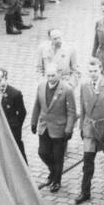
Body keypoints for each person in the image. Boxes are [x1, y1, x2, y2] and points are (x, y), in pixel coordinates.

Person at [30, 62, 77, 193]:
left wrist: (69, 129)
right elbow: (37, 105)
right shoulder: (41, 86)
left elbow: (72, 111)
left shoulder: (67, 89)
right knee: (43, 152)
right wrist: (34, 122)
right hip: (44, 126)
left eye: (53, 75)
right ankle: (53, 170)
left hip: (59, 128)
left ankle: (56, 180)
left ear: (59, 74)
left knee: (58, 155)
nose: (50, 78)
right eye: (48, 75)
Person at [75, 59, 104, 204]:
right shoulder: (84, 85)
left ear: (100, 70)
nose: (93, 74)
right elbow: (83, 108)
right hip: (89, 128)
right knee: (87, 161)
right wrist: (82, 127)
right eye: (90, 71)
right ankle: (85, 191)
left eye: (95, 71)